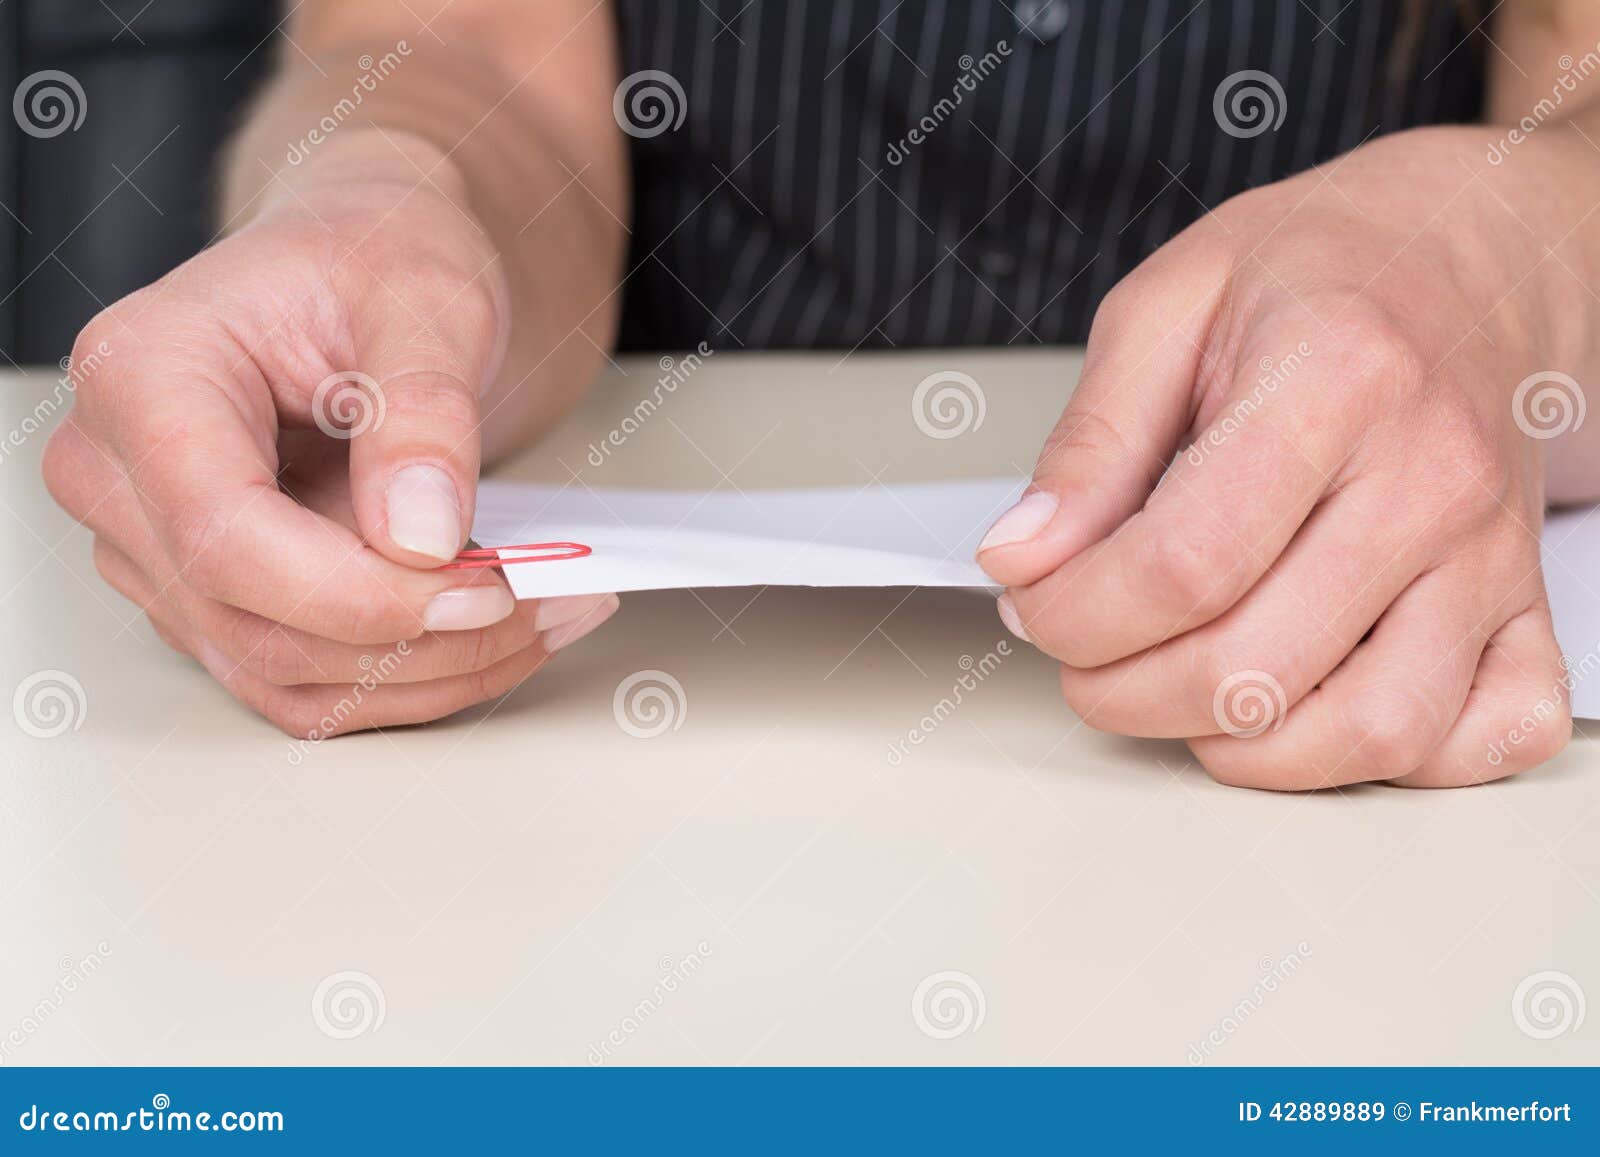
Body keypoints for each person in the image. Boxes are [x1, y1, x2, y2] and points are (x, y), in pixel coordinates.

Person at [41, 0, 1600, 788]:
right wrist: (381, 199)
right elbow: (455, 52)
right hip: (642, 734)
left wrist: (1507, 251)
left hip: (1354, 640)